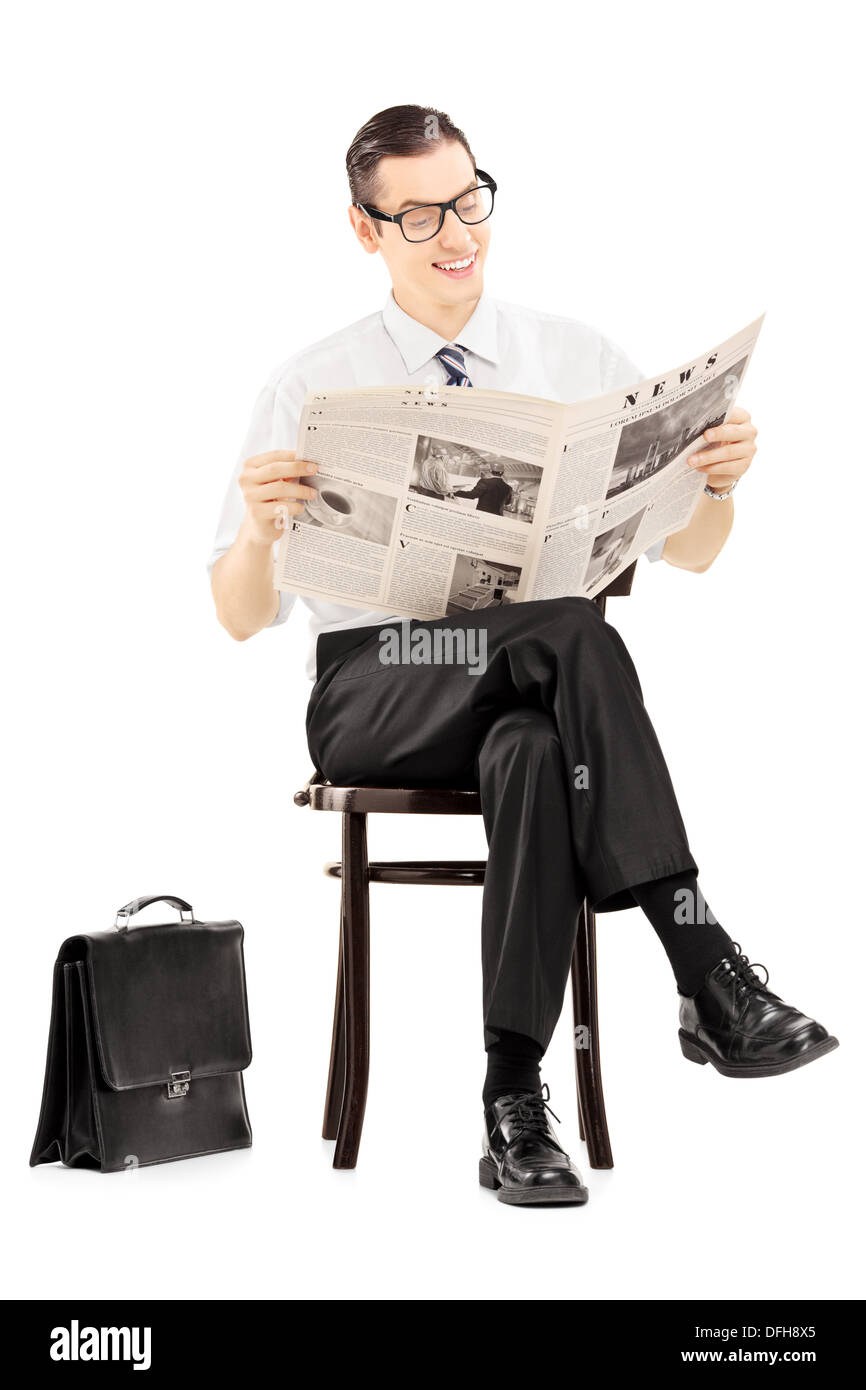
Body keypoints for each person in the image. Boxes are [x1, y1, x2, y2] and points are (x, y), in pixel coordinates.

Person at [208, 105, 838, 1207]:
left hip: (537, 688)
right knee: (571, 631)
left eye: (468, 199)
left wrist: (715, 485)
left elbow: (694, 552)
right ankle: (702, 964)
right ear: (366, 231)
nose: (456, 232)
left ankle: (512, 1106)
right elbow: (234, 614)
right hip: (378, 689)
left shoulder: (575, 356)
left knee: (534, 753)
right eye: (419, 215)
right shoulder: (310, 382)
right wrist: (262, 530)